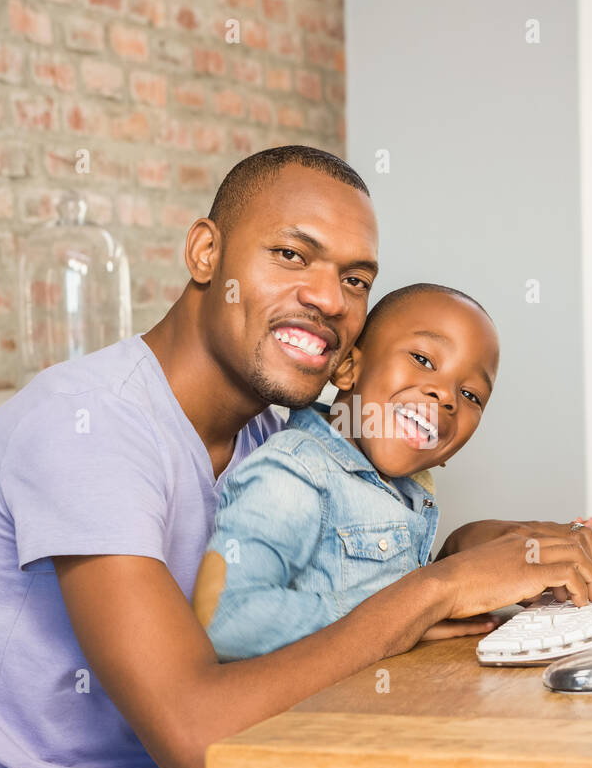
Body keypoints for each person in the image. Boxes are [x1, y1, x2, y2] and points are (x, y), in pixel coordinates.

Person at [0, 145, 592, 768]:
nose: (329, 297)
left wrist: (467, 554)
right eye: (291, 255)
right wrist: (437, 589)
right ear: (204, 253)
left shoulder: (269, 434)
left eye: (355, 278)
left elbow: (330, 609)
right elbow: (198, 740)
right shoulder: (87, 430)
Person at [195, 283, 507, 662]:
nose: (446, 396)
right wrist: (406, 611)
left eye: (471, 394)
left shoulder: (405, 491)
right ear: (347, 369)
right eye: (423, 360)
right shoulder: (295, 471)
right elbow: (227, 621)